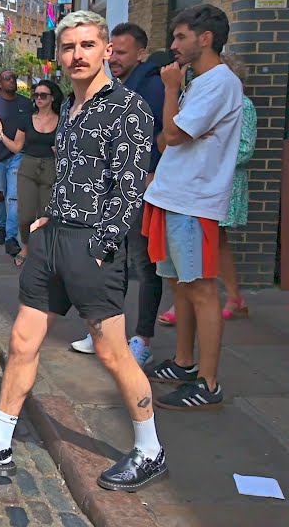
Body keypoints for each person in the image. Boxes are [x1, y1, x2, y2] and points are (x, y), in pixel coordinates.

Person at [0, 10, 162, 492]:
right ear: (58, 55)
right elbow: (73, 173)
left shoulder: (129, 109)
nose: (76, 55)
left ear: (105, 50)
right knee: (22, 341)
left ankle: (149, 449)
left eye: (86, 45)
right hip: (54, 238)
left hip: (92, 245)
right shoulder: (71, 110)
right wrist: (47, 218)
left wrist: (100, 246)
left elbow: (130, 190)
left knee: (111, 353)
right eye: (68, 47)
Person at [140, 4, 244, 411]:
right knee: (180, 284)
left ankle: (209, 380)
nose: (173, 46)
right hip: (173, 194)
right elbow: (168, 140)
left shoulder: (219, 82)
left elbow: (173, 134)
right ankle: (185, 361)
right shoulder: (199, 82)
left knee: (201, 289)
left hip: (194, 199)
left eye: (180, 36)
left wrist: (169, 91)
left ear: (205, 38)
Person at [101, 23, 167, 366]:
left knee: (144, 264)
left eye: (121, 52)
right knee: (112, 261)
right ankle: (108, 330)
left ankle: (143, 338)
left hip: (140, 187)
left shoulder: (152, 86)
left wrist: (148, 172)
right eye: (111, 50)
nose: (113, 57)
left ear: (141, 52)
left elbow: (161, 134)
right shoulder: (118, 85)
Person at [217, 52, 257, 321]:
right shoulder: (207, 103)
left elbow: (245, 149)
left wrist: (207, 155)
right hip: (206, 182)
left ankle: (232, 296)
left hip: (225, 183)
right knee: (211, 241)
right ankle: (233, 296)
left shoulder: (243, 105)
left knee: (214, 240)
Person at [0, 70, 33, 254]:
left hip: (18, 156)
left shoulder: (25, 104)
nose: (11, 81)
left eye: (13, 78)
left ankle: (11, 236)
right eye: (7, 79)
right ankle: (1, 226)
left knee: (13, 197)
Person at [14, 80, 61, 269]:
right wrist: (0, 135)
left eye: (43, 95)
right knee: (25, 215)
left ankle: (43, 252)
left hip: (51, 166)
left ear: (52, 98)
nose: (39, 99)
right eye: (36, 95)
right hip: (28, 166)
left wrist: (61, 151)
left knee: (45, 214)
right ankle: (25, 246)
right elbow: (17, 146)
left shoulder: (62, 119)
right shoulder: (26, 118)